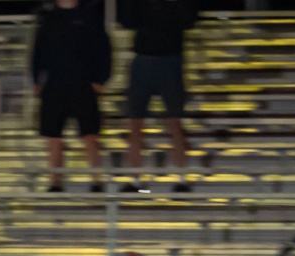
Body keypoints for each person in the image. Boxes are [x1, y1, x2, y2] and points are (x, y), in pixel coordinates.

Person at [31, 0, 112, 193]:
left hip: (83, 83)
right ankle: (55, 181)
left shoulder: (90, 15)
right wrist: (37, 79)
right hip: (55, 83)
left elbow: (104, 49)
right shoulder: (49, 17)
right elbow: (38, 50)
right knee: (52, 135)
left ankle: (96, 180)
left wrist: (100, 79)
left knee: (90, 133)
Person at [118, 0, 199, 193]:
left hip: (170, 59)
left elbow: (189, 21)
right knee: (135, 122)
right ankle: (136, 180)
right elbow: (127, 21)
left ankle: (182, 177)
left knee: (174, 121)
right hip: (143, 59)